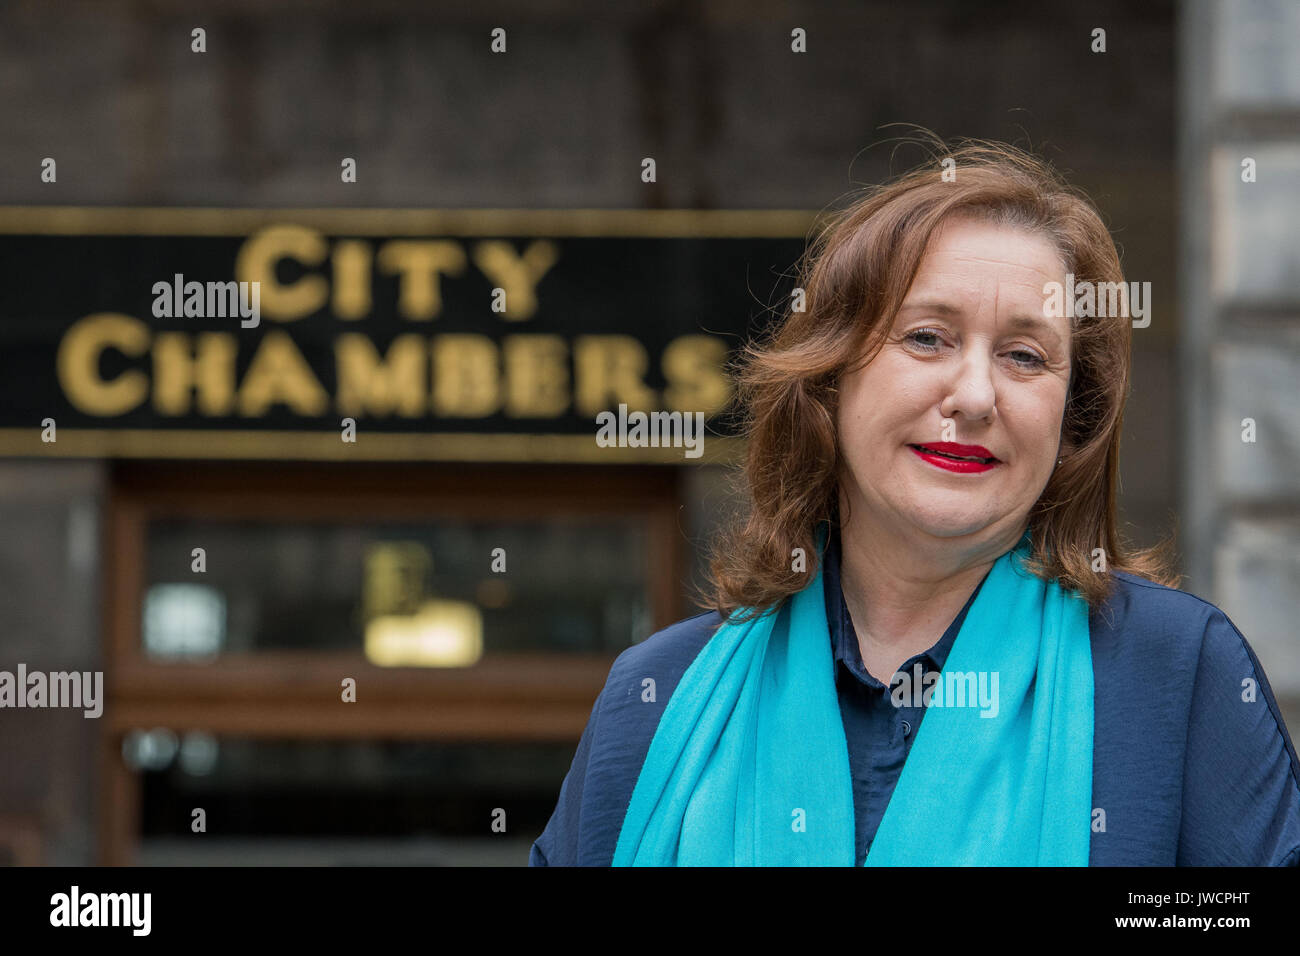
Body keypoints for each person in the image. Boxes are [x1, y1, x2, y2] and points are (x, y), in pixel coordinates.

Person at [530, 140, 1300, 866]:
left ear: (1073, 419)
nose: (973, 397)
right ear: (830, 379)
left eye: (1025, 356)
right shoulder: (656, 696)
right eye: (928, 337)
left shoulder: (1177, 674)